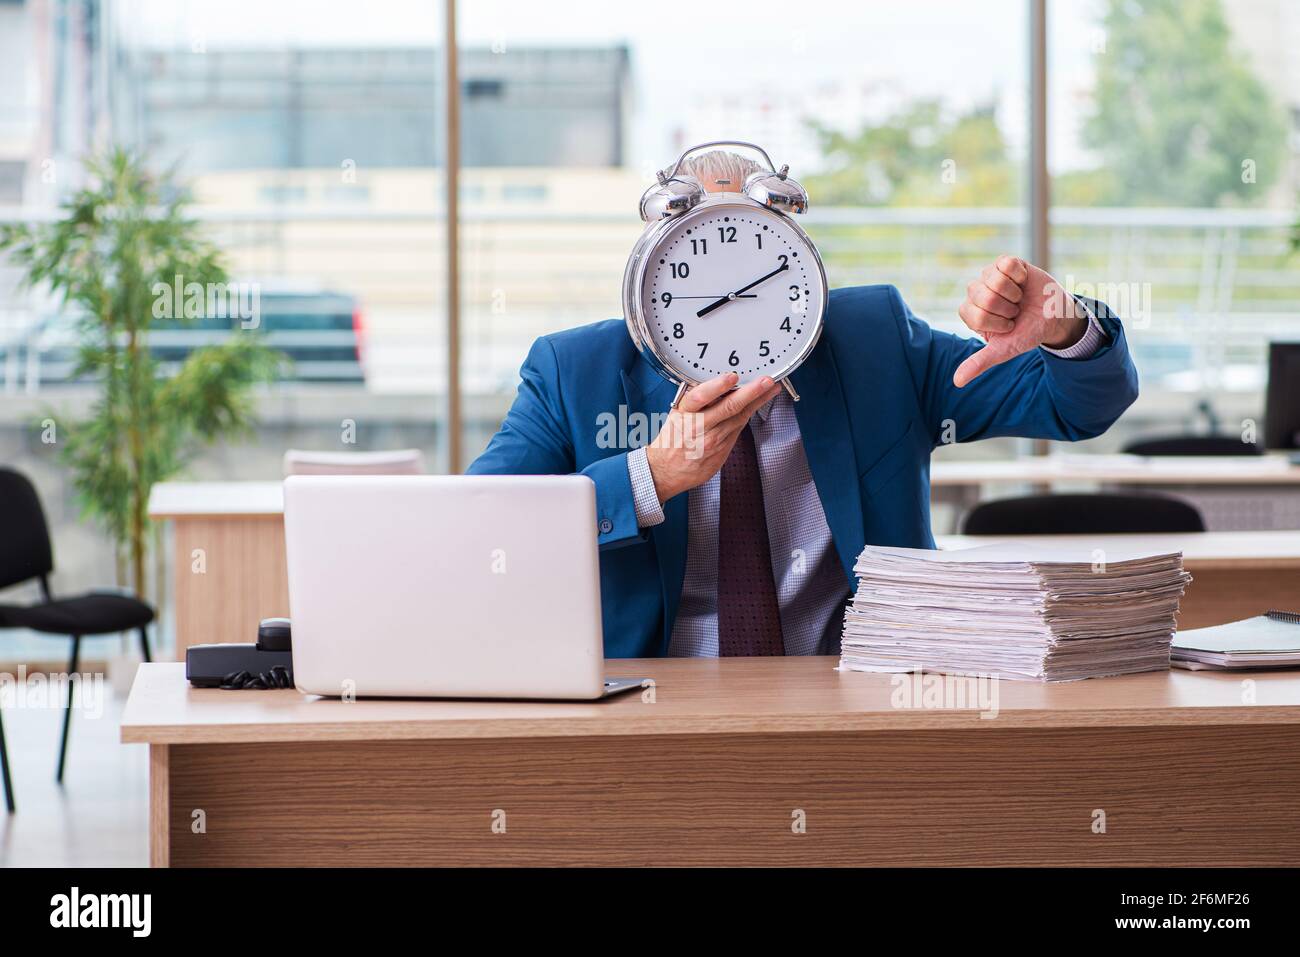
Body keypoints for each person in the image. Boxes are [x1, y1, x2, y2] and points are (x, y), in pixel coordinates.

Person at [468, 149, 1138, 658]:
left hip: (857, 704)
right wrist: (652, 475)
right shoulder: (573, 371)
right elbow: (478, 533)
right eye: (699, 273)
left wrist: (1060, 321)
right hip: (653, 715)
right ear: (656, 277)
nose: (726, 299)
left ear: (793, 259)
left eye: (754, 265)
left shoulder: (876, 343)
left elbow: (1077, 406)